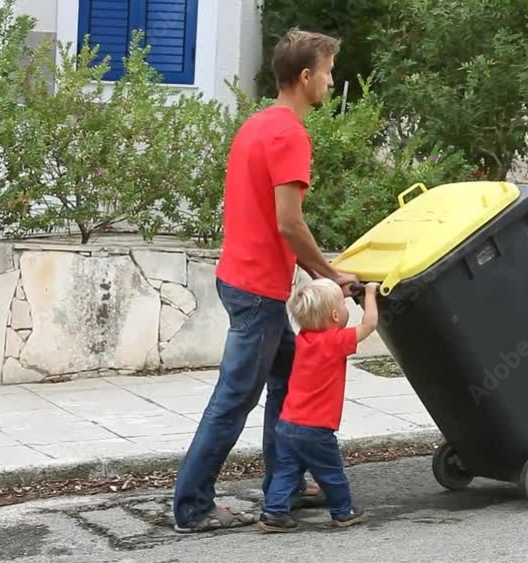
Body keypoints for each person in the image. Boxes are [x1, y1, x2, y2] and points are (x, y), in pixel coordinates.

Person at [171, 28, 360, 533]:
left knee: (290, 378)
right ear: (306, 77)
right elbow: (288, 222)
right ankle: (192, 505)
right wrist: (331, 275)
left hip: (243, 280)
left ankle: (288, 484)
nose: (331, 79)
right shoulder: (290, 134)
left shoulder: (256, 125)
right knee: (235, 397)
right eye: (328, 72)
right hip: (257, 292)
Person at [258, 279, 379, 532]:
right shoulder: (335, 341)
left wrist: (339, 296)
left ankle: (274, 513)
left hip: (288, 424)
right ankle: (343, 512)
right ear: (335, 315)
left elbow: (324, 314)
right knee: (331, 472)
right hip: (316, 429)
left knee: (286, 471)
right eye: (342, 306)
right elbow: (369, 324)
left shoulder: (304, 337)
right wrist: (370, 293)